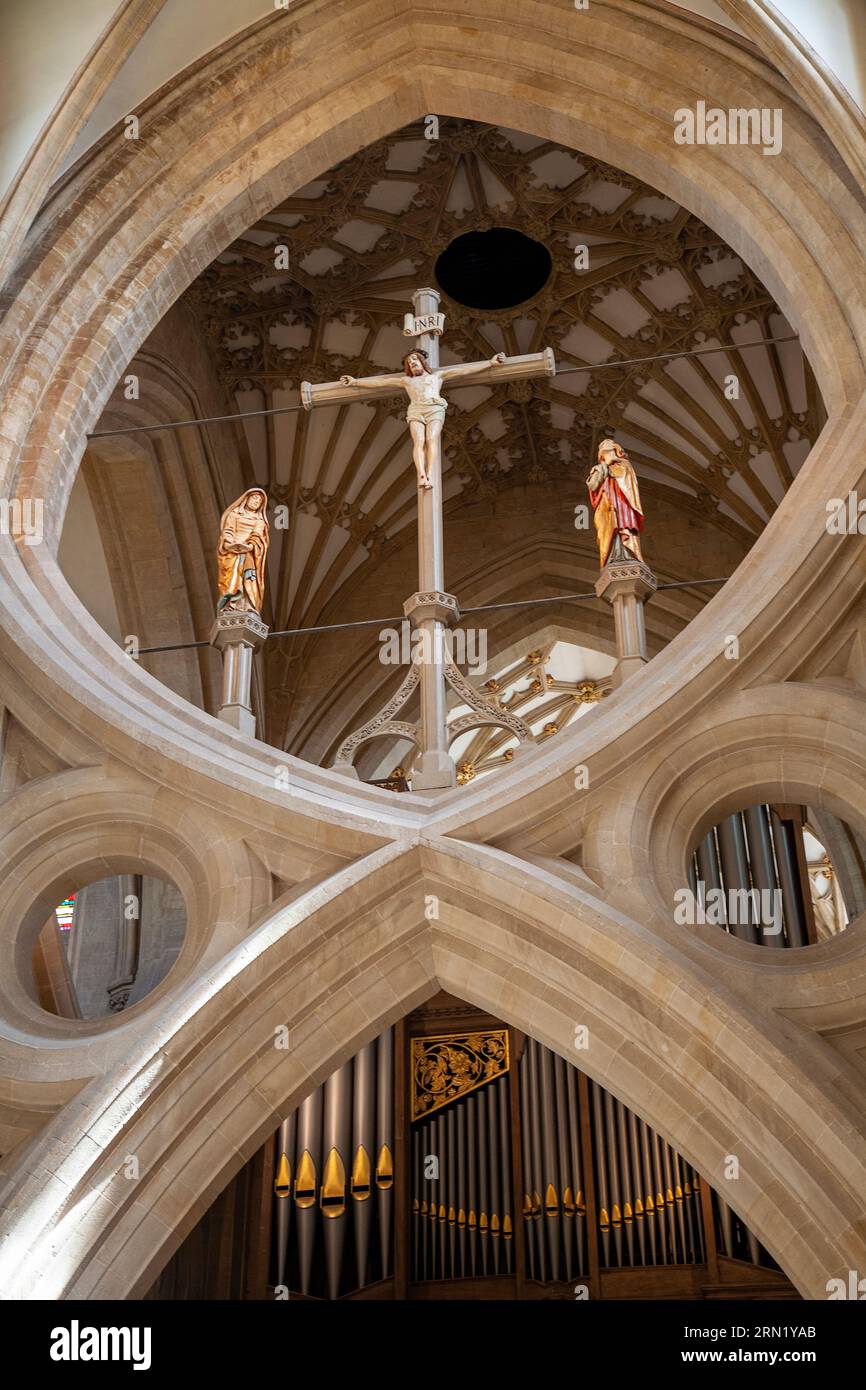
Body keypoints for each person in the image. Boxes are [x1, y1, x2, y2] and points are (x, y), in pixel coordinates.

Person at [586, 438, 645, 567]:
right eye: (604, 453)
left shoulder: (624, 464)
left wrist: (609, 468)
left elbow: (626, 479)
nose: (607, 455)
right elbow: (592, 486)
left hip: (622, 504)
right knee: (608, 531)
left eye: (609, 451)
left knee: (623, 528)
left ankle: (628, 555)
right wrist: (600, 471)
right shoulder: (600, 468)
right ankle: (613, 556)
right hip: (606, 506)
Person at [216, 487, 269, 613]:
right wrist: (229, 543)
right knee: (231, 577)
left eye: (259, 501)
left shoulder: (259, 520)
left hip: (248, 553)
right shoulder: (234, 515)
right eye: (255, 498)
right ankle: (230, 605)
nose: (256, 502)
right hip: (232, 551)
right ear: (247, 498)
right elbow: (228, 531)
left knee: (249, 576)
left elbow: (257, 536)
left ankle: (248, 605)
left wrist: (249, 546)